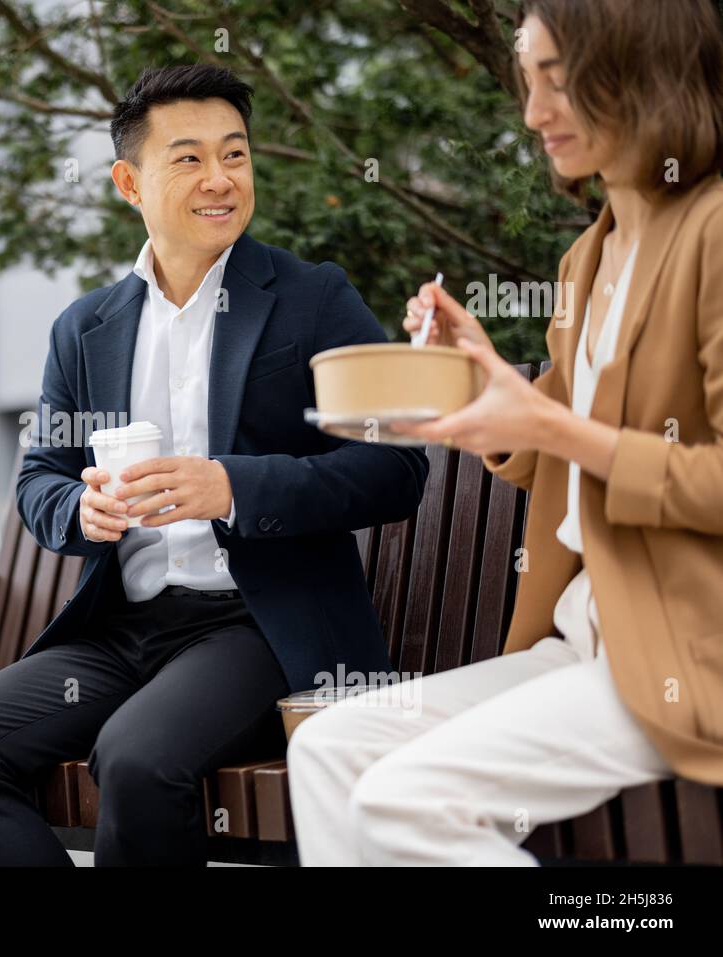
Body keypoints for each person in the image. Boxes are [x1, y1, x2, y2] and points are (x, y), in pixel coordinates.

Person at [0, 63, 428, 866]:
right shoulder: (84, 329)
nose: (220, 179)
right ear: (128, 181)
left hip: (255, 625)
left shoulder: (309, 298)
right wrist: (79, 510)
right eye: (188, 158)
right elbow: (39, 477)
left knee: (137, 759)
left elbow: (396, 470)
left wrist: (233, 486)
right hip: (121, 632)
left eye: (236, 155)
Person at [289, 0, 723, 865]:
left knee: (409, 800)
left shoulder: (712, 231)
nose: (534, 112)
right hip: (584, 639)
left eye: (559, 80)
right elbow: (553, 443)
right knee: (327, 747)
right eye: (529, 80)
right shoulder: (590, 256)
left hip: (684, 649)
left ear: (647, 71)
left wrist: (556, 423)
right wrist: (483, 376)